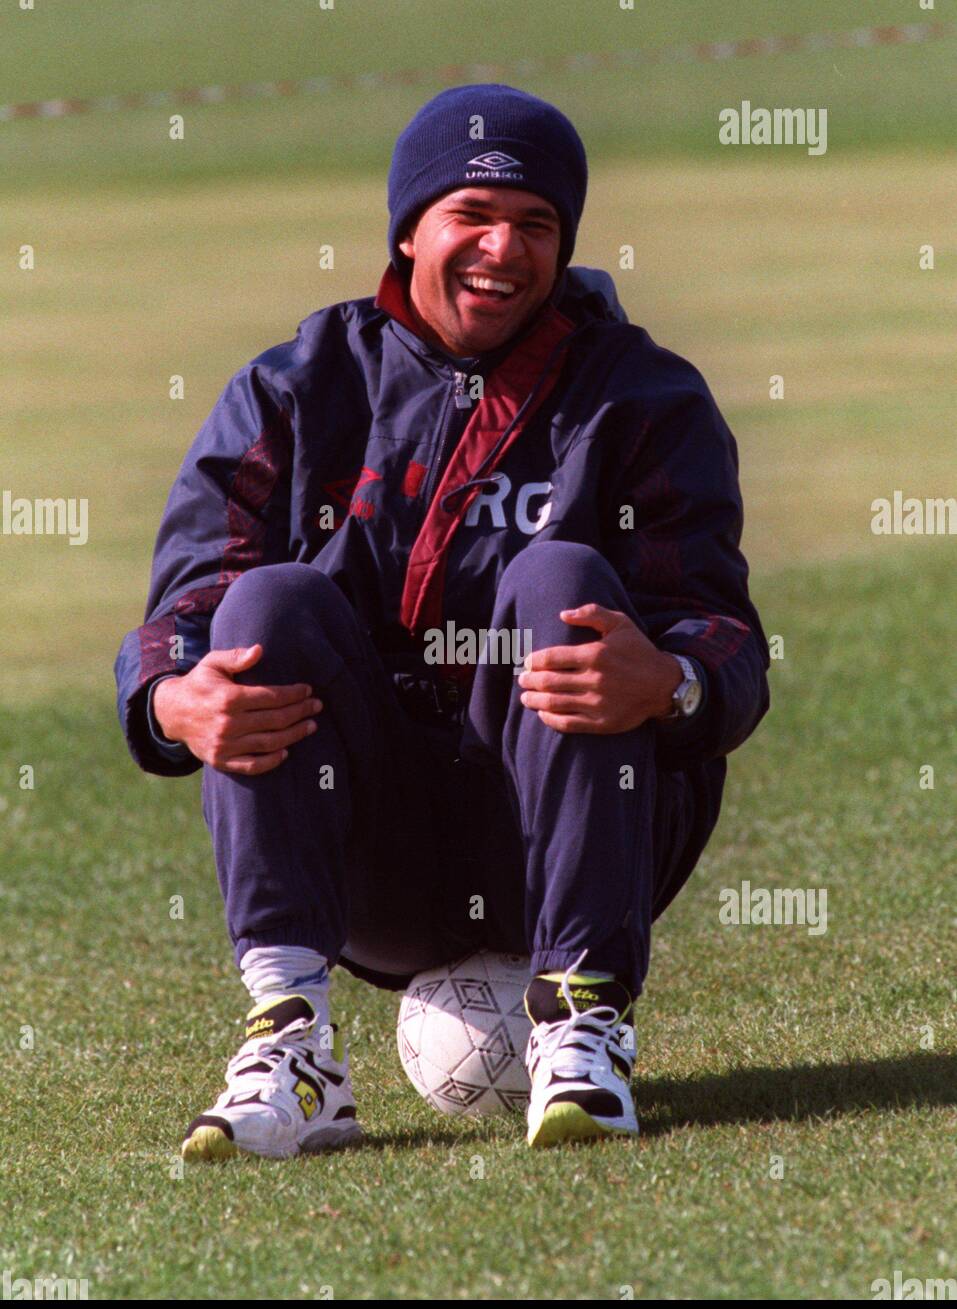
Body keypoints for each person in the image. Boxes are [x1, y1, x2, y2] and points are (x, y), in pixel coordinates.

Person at [114, 84, 770, 1157]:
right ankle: (294, 1048)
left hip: (581, 834)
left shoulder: (643, 398)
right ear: (409, 227)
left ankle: (586, 1026)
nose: (503, 248)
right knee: (268, 603)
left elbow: (724, 633)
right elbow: (188, 606)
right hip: (376, 853)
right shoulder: (297, 389)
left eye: (537, 225)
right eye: (472, 214)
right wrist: (170, 701)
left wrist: (673, 681)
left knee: (563, 578)